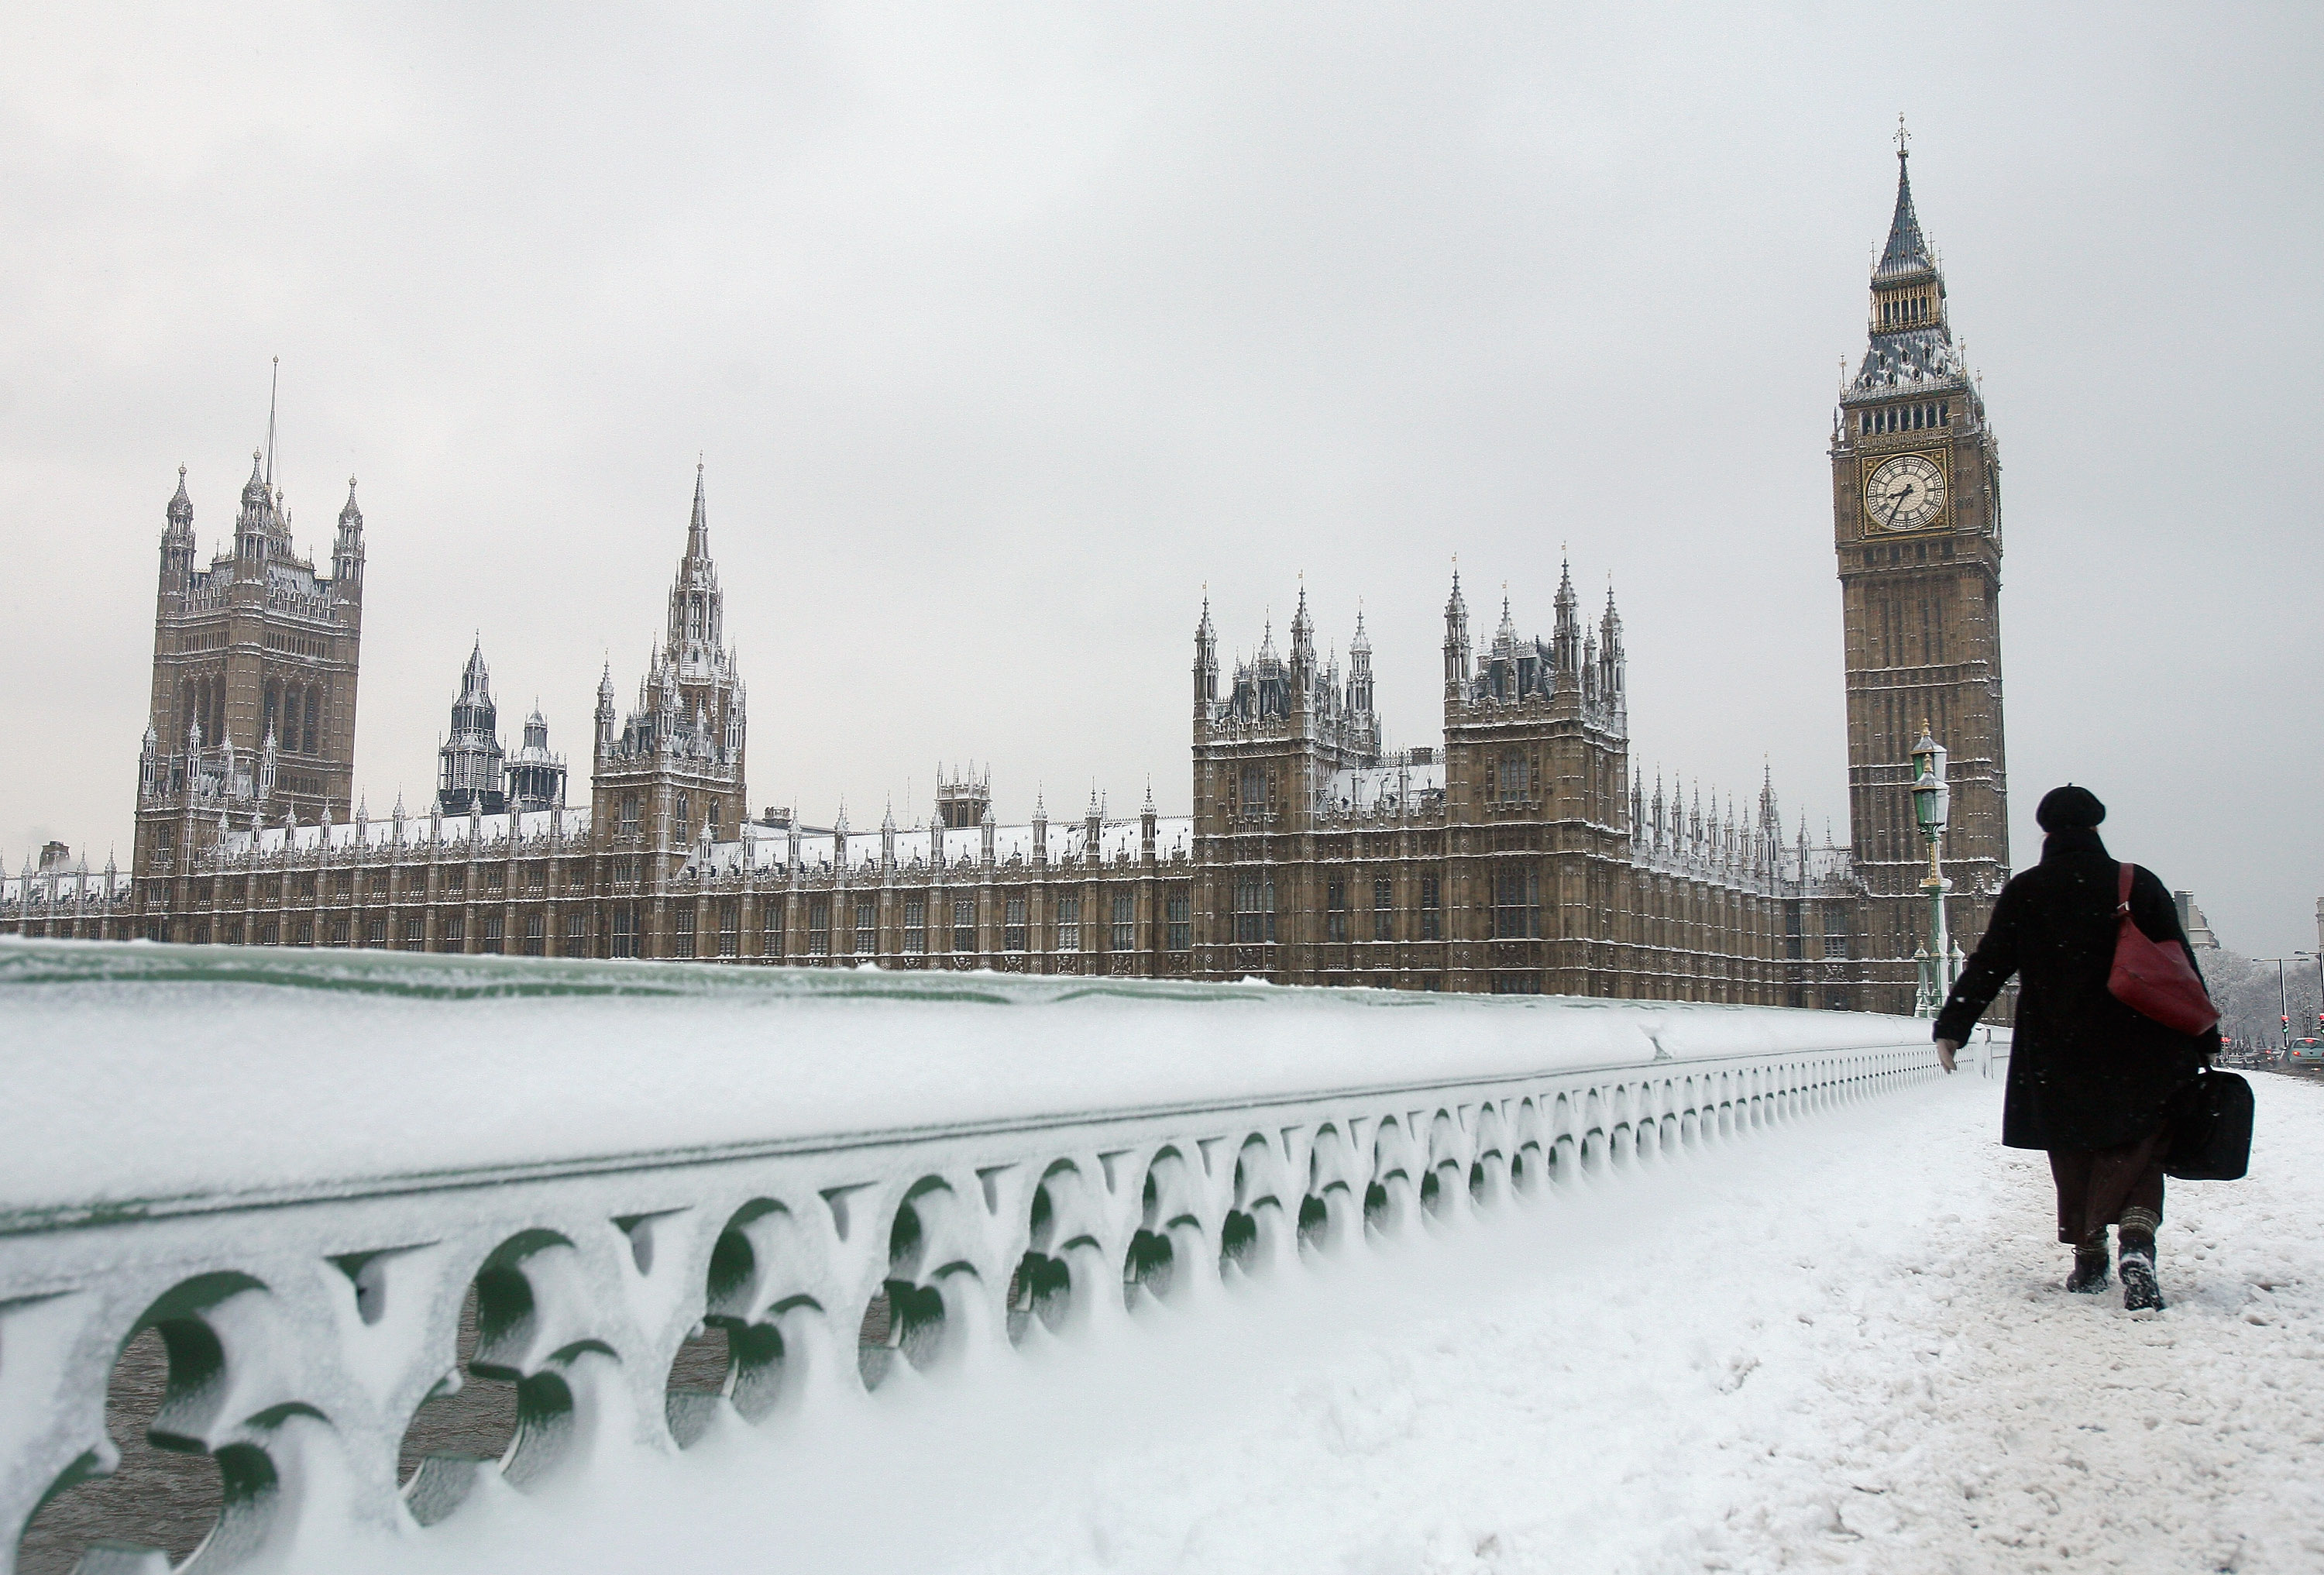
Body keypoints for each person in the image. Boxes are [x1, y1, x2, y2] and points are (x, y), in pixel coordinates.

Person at [1933, 785, 2216, 1312]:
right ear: (2095, 826)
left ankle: (2090, 1254)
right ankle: (2137, 1240)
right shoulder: (2136, 882)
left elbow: (1989, 964)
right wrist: (2204, 1033)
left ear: (2046, 830)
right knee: (2140, 1146)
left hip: (2059, 1047)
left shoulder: (2028, 890)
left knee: (2073, 1150)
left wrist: (1954, 1024)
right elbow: (2180, 967)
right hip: (2139, 1044)